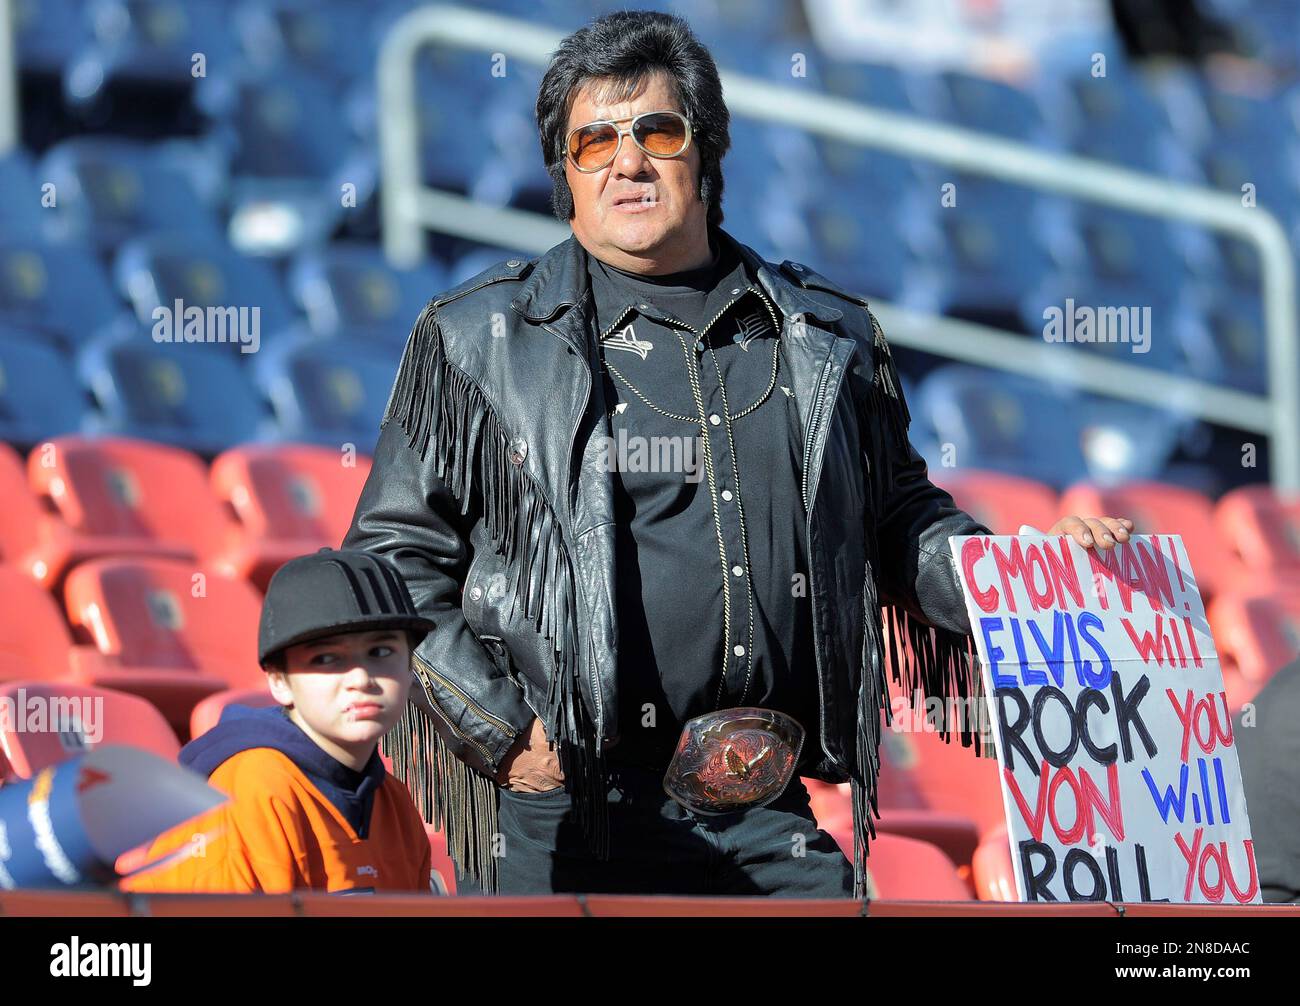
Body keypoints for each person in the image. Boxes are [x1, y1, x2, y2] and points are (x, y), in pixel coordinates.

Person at [344, 9, 1134, 898]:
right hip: (568, 807)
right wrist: (507, 736)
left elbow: (901, 520)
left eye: (657, 130)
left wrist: (1018, 578)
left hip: (762, 809)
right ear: (566, 176)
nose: (627, 161)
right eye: (592, 142)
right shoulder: (478, 339)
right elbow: (391, 560)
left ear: (707, 151)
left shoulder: (825, 333)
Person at [120, 549, 436, 895]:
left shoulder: (394, 800)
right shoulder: (253, 786)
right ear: (279, 682)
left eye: (380, 652)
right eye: (326, 658)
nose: (360, 678)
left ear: (410, 669)